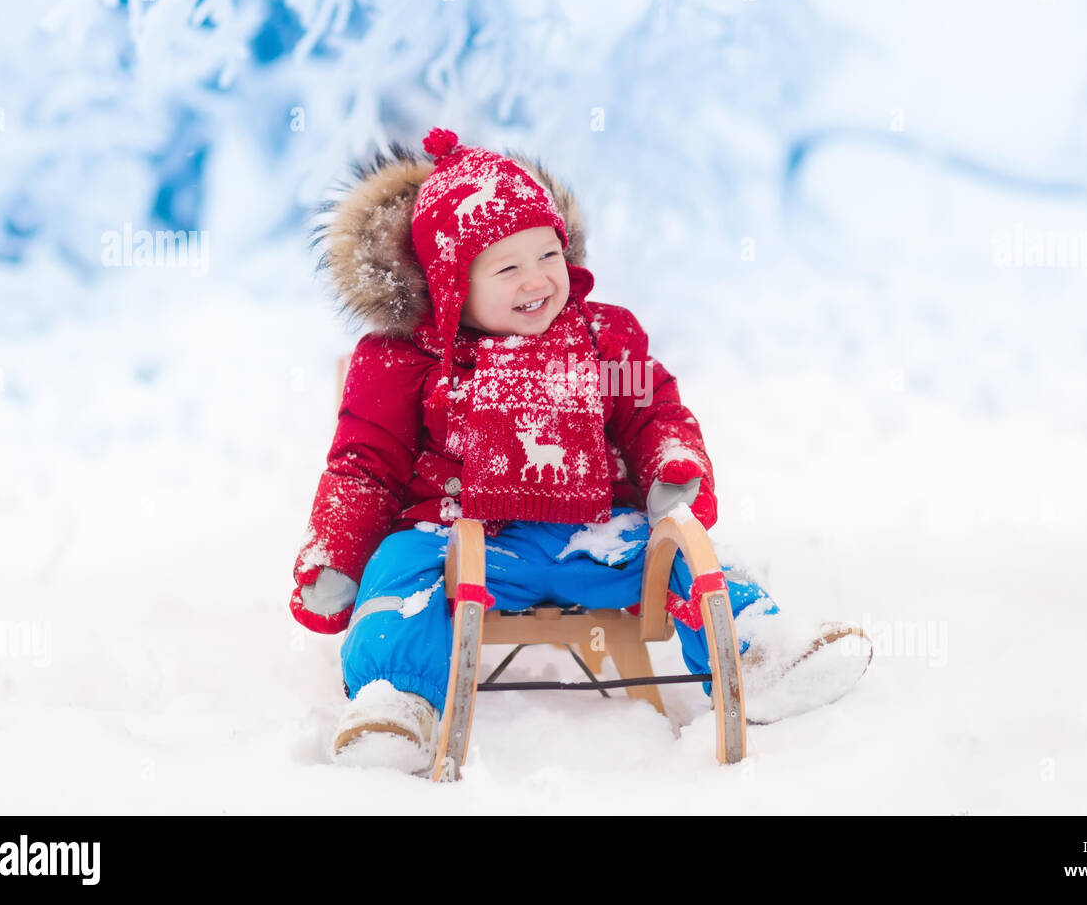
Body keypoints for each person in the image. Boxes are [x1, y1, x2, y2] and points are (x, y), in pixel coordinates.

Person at [290, 127, 872, 774]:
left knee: (684, 553)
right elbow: (364, 464)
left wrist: (669, 465)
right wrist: (339, 553)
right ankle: (396, 698)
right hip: (455, 538)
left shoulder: (603, 335)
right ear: (453, 286)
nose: (538, 278)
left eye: (548, 254)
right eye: (507, 267)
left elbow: (653, 409)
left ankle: (760, 653)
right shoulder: (404, 360)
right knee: (398, 573)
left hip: (593, 534)